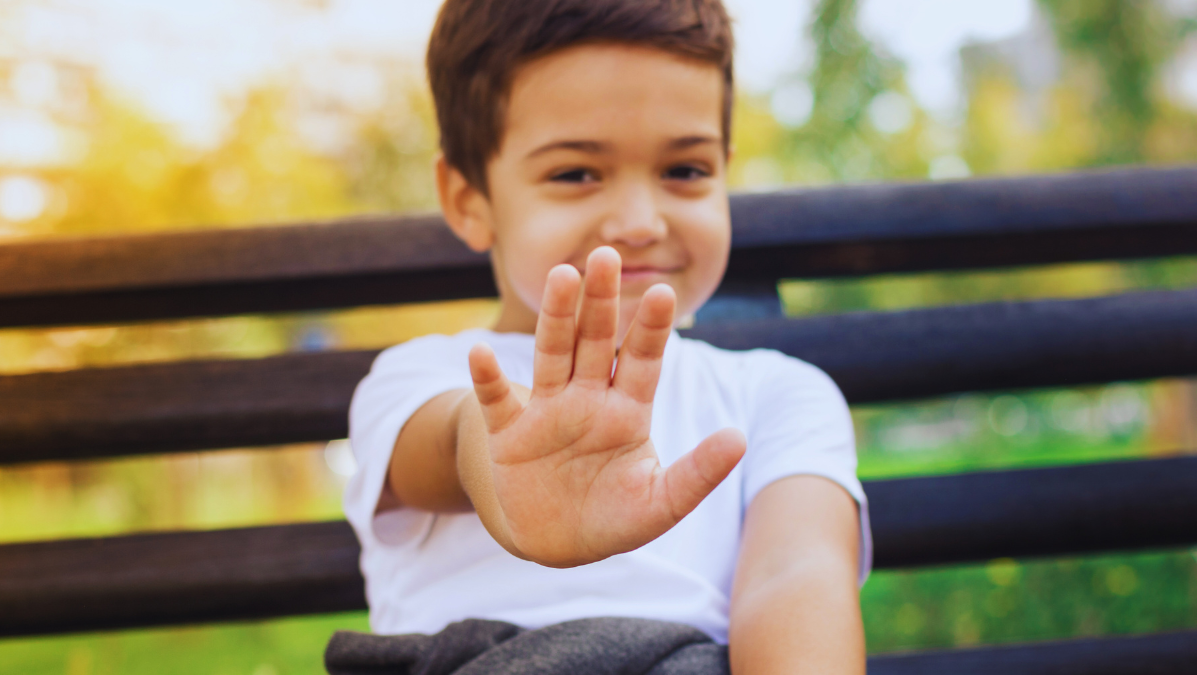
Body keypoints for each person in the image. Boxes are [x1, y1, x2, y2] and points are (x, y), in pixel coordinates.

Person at [332, 1, 871, 672]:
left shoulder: (778, 395)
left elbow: (795, 577)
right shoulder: (419, 377)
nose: (640, 222)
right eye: (576, 173)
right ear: (469, 199)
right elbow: (445, 442)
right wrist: (498, 455)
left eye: (686, 170)